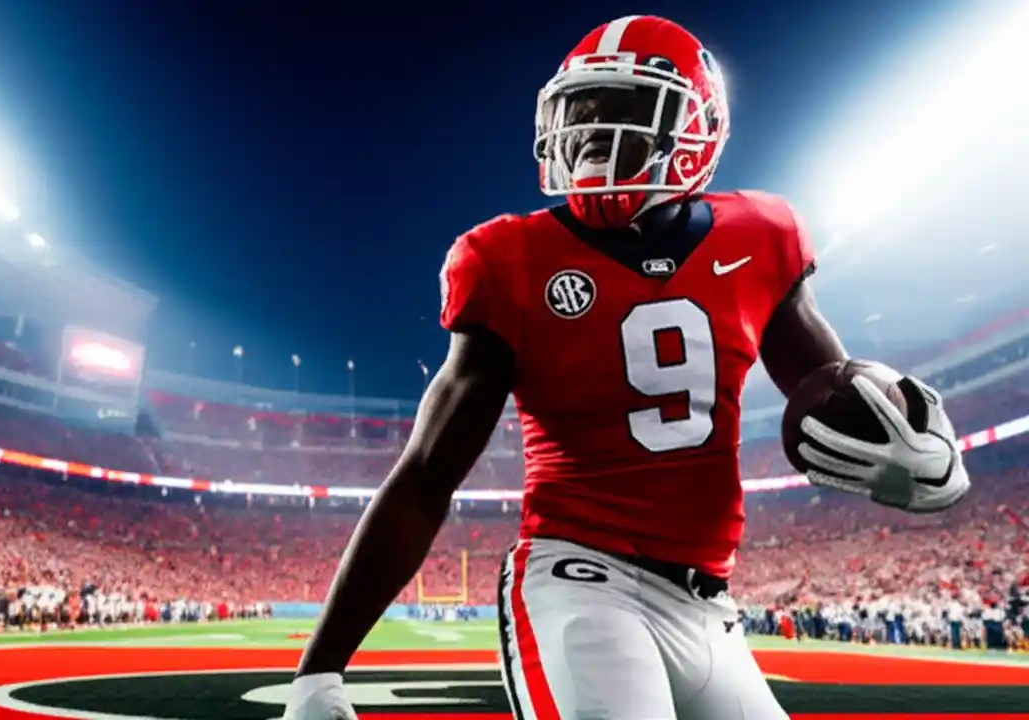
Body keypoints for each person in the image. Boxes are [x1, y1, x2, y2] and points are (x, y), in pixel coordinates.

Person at [282, 14, 970, 720]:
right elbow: (425, 478)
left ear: (697, 124)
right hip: (578, 579)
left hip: (710, 605)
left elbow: (830, 394)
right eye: (580, 112)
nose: (590, 135)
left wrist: (910, 447)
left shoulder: (761, 235)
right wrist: (320, 671)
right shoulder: (507, 261)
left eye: (623, 110)